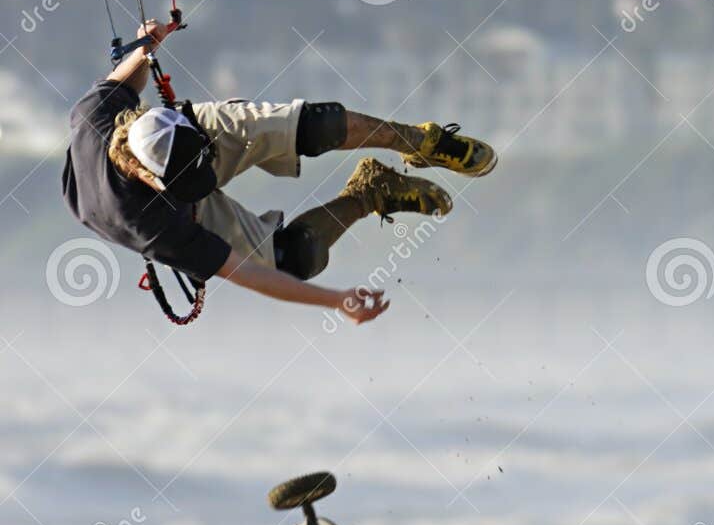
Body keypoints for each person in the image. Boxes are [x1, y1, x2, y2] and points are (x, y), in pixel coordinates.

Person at [62, 20, 498, 324]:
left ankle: (417, 141)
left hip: (172, 146)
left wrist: (147, 45)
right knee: (293, 258)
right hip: (163, 205)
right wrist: (336, 301)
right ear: (151, 178)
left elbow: (127, 79)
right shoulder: (154, 227)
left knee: (313, 124)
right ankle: (370, 192)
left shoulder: (97, 113)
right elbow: (251, 275)